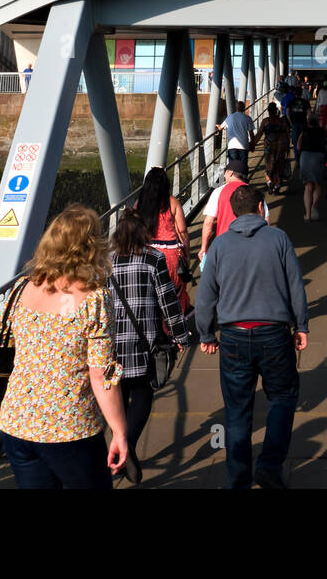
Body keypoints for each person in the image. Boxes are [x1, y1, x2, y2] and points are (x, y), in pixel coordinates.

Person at [0, 204, 128, 489]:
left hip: (17, 424)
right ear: (93, 246)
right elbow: (100, 375)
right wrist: (119, 430)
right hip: (70, 428)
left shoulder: (21, 289)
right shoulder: (93, 298)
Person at [197, 184, 309, 489]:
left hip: (233, 336)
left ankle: (238, 480)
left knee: (237, 411)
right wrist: (301, 325)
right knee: (283, 397)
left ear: (232, 211)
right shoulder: (279, 239)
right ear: (261, 207)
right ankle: (270, 466)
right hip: (273, 333)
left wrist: (206, 334)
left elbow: (205, 296)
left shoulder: (219, 245)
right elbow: (295, 287)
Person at [108, 204, 192, 484]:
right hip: (144, 342)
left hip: (110, 344)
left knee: (118, 397)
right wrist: (180, 336)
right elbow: (168, 301)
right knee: (143, 394)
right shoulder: (153, 259)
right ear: (143, 232)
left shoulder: (105, 262)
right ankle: (127, 445)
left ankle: (119, 443)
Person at [131, 167, 192, 322]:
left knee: (152, 294)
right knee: (172, 292)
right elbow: (183, 232)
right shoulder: (172, 202)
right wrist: (186, 256)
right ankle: (175, 328)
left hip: (146, 255)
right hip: (169, 257)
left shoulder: (139, 204)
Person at [200, 158, 269, 263]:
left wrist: (204, 247)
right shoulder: (255, 193)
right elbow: (266, 220)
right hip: (252, 246)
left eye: (225, 173)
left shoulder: (218, 192)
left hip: (225, 245)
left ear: (230, 173)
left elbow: (208, 223)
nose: (224, 176)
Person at [296, 114, 327, 221]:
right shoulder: (322, 130)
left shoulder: (304, 131)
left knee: (308, 187)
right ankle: (314, 207)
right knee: (318, 186)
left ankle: (307, 215)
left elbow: (298, 147)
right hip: (318, 157)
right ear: (318, 122)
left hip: (305, 157)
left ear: (308, 122)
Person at [259, 103, 290, 192]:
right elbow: (287, 134)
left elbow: (259, 134)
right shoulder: (282, 121)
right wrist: (288, 146)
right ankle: (277, 184)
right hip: (281, 146)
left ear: (268, 111)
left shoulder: (265, 121)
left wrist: (252, 144)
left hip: (269, 147)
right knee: (279, 165)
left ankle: (269, 182)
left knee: (269, 165)